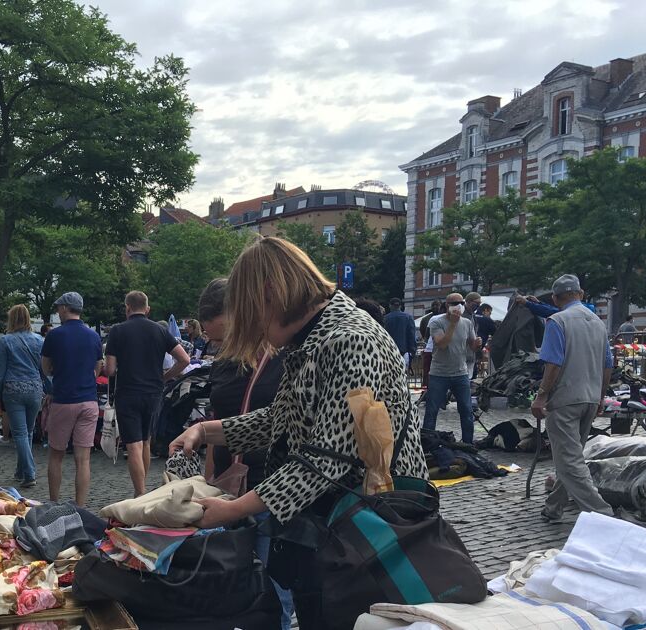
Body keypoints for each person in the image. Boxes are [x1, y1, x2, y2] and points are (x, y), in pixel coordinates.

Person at [167, 237, 426, 627]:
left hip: (365, 527)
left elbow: (328, 457)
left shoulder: (349, 340)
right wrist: (207, 431)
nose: (255, 330)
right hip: (331, 529)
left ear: (272, 293)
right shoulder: (316, 338)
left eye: (253, 314)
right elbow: (283, 417)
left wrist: (235, 508)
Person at [195, 277, 294, 629]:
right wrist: (207, 482)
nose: (217, 344)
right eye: (214, 339)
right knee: (228, 587)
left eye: (221, 336)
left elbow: (280, 422)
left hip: (271, 490)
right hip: (228, 488)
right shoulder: (225, 361)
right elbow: (218, 422)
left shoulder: (285, 356)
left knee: (273, 595)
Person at [530, 275, 616, 524]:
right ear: (581, 293)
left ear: (556, 298)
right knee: (569, 457)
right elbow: (608, 363)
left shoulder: (557, 321)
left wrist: (541, 396)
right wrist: (600, 396)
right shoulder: (598, 323)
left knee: (570, 461)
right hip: (590, 397)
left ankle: (602, 514)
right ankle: (553, 507)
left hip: (566, 398)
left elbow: (553, 363)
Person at [105, 291, 190, 496]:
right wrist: (165, 377)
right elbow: (185, 360)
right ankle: (142, 492)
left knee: (132, 445)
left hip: (128, 392)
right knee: (145, 442)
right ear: (147, 309)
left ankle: (140, 493)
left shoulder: (117, 331)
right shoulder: (160, 330)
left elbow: (109, 370)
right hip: (153, 393)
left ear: (127, 308)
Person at [41, 292, 103, 506]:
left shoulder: (54, 336)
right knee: (83, 459)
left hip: (64, 400)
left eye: (59, 307)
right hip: (89, 401)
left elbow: (46, 367)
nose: (58, 311)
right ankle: (81, 506)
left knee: (56, 455)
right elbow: (98, 366)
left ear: (66, 308)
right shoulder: (93, 336)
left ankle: (54, 502)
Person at [0, 304, 47, 489]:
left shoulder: (6, 341)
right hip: (35, 388)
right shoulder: (39, 340)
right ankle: (20, 470)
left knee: (20, 433)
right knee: (28, 432)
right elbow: (43, 369)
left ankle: (29, 473)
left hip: (13, 389)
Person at [423, 292, 480, 444]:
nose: (458, 306)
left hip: (460, 372)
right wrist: (453, 324)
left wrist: (477, 344)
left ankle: (468, 443)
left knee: (467, 411)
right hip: (439, 373)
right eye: (455, 303)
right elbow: (441, 344)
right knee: (432, 411)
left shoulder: (467, 323)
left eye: (461, 302)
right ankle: (427, 443)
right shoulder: (437, 322)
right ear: (447, 305)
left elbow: (472, 346)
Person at [384, 297, 417, 367]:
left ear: (390, 305)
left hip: (388, 352)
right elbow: (411, 336)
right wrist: (412, 352)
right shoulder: (408, 317)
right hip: (404, 352)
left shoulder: (385, 318)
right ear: (400, 306)